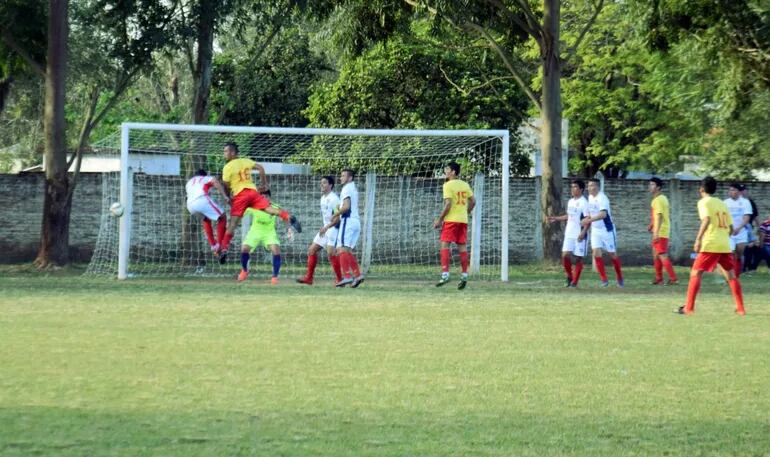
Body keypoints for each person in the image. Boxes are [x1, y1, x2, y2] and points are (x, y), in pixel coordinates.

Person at [218, 142, 301, 264]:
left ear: (233, 152)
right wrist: (264, 184)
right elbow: (260, 168)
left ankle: (224, 249)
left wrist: (228, 197)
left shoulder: (227, 167)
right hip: (253, 192)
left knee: (232, 224)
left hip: (240, 195)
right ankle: (288, 216)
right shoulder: (245, 161)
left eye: (226, 151)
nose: (224, 153)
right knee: (269, 209)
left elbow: (226, 185)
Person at [679, 176, 745, 315]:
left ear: (701, 189)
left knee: (696, 273)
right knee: (731, 276)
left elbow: (706, 219)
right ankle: (740, 309)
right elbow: (731, 228)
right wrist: (723, 238)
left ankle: (689, 308)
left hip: (711, 243)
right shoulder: (722, 203)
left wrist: (698, 239)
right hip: (724, 244)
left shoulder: (703, 202)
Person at [433, 161, 475, 290]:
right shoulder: (465, 184)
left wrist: (439, 220)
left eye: (447, 169)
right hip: (463, 220)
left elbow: (448, 205)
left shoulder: (447, 185)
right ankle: (464, 276)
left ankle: (445, 274)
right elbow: (473, 201)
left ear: (454, 172)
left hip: (451, 220)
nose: (445, 171)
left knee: (445, 244)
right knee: (462, 247)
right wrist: (465, 213)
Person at [320, 169, 364, 288]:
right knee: (346, 250)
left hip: (348, 221)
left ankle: (347, 276)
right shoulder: (353, 188)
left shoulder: (346, 189)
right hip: (356, 221)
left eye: (343, 176)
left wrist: (335, 214)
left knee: (340, 249)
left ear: (350, 178)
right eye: (341, 175)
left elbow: (346, 207)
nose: (341, 178)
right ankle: (358, 275)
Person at [296, 176, 343, 285]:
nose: (321, 185)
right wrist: (325, 227)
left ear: (330, 185)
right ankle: (309, 278)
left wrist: (326, 227)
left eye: (324, 183)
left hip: (333, 229)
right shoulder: (323, 198)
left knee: (331, 253)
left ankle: (340, 279)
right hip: (326, 229)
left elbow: (338, 218)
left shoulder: (334, 199)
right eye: (321, 183)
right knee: (311, 250)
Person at [581, 179, 624, 287]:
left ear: (596, 187)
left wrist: (588, 220)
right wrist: (585, 229)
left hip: (607, 229)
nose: (588, 188)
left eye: (591, 185)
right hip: (595, 230)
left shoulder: (602, 198)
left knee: (612, 254)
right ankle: (604, 280)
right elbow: (590, 215)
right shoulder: (590, 198)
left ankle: (619, 277)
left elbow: (603, 214)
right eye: (588, 185)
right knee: (596, 253)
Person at [237, 189, 285, 285]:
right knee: (244, 248)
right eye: (262, 197)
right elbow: (241, 212)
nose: (264, 198)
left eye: (266, 196)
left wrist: (289, 229)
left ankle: (275, 277)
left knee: (276, 250)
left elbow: (284, 216)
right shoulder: (254, 206)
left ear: (269, 197)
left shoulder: (275, 207)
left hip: (269, 232)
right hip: (255, 231)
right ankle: (244, 271)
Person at [547, 180, 589, 287]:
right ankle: (570, 277)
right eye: (572, 187)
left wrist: (583, 232)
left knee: (577, 258)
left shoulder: (584, 203)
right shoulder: (570, 201)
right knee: (565, 255)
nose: (572, 189)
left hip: (579, 234)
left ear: (581, 189)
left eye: (575, 187)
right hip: (569, 233)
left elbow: (588, 219)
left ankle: (574, 282)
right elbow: (569, 216)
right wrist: (556, 218)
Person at [185, 169, 229, 254]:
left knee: (206, 219)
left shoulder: (189, 182)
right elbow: (215, 181)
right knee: (222, 217)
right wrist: (225, 196)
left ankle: (213, 245)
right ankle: (219, 245)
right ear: (204, 175)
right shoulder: (204, 178)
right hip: (201, 200)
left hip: (190, 205)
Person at [647, 177, 678, 285]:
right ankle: (659, 278)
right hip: (660, 229)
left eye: (652, 185)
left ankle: (673, 278)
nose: (650, 187)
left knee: (662, 254)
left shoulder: (658, 200)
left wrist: (656, 233)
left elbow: (659, 216)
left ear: (658, 187)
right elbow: (658, 215)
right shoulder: (660, 198)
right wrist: (652, 224)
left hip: (661, 231)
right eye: (649, 184)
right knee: (656, 254)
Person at [723, 183, 752, 277]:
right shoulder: (725, 203)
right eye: (730, 190)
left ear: (739, 192)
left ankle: (737, 272)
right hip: (729, 232)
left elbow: (747, 217)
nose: (732, 192)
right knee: (730, 253)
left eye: (734, 190)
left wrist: (739, 228)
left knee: (739, 254)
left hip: (741, 231)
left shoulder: (745, 202)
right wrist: (729, 228)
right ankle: (731, 276)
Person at [740, 185, 760, 272]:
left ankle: (750, 267)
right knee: (744, 248)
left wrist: (759, 227)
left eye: (743, 190)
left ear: (746, 191)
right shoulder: (734, 202)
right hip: (738, 228)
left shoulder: (750, 202)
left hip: (749, 227)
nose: (742, 192)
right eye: (740, 190)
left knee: (754, 247)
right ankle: (743, 267)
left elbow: (755, 216)